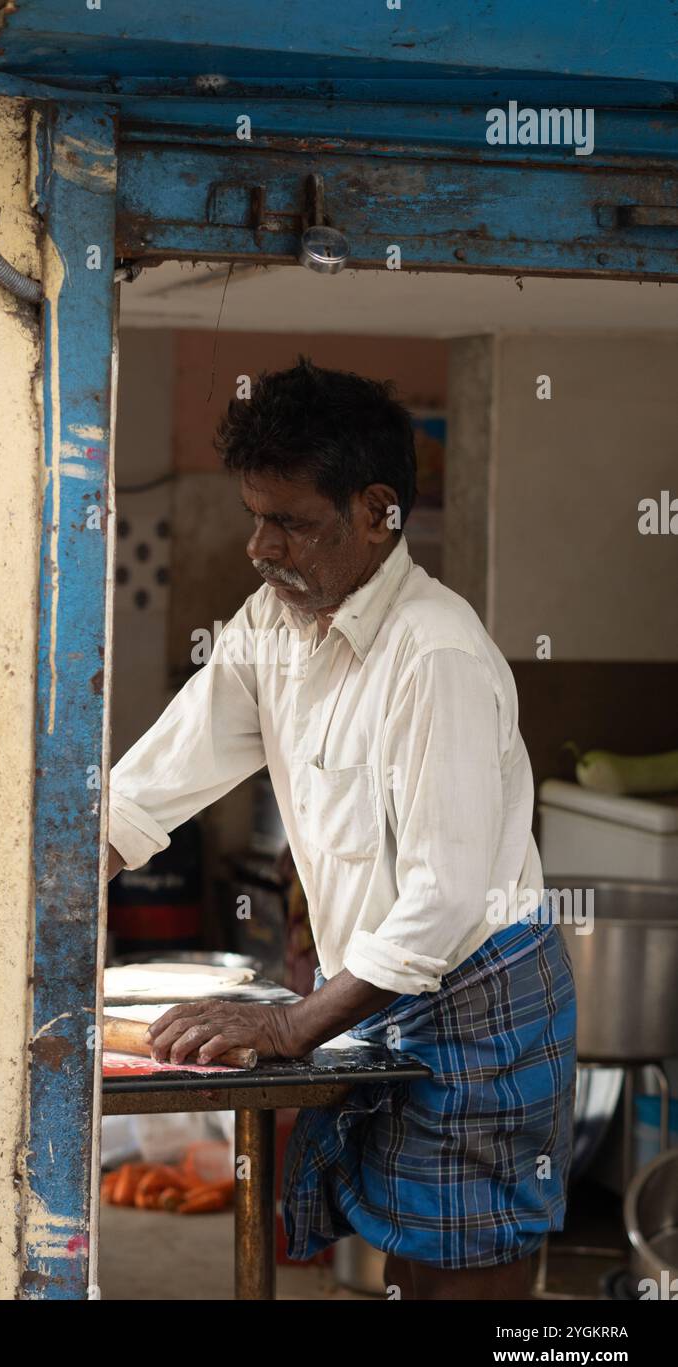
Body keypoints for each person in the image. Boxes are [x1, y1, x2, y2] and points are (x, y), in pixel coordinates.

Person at [106, 355, 577, 1300]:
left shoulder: (435, 654)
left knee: (461, 1274)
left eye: (290, 523)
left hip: (476, 993)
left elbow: (443, 903)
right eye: (254, 516)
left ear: (377, 513)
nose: (260, 548)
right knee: (393, 1262)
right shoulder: (270, 633)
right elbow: (144, 792)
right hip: (373, 982)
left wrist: (287, 1028)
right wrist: (40, 916)